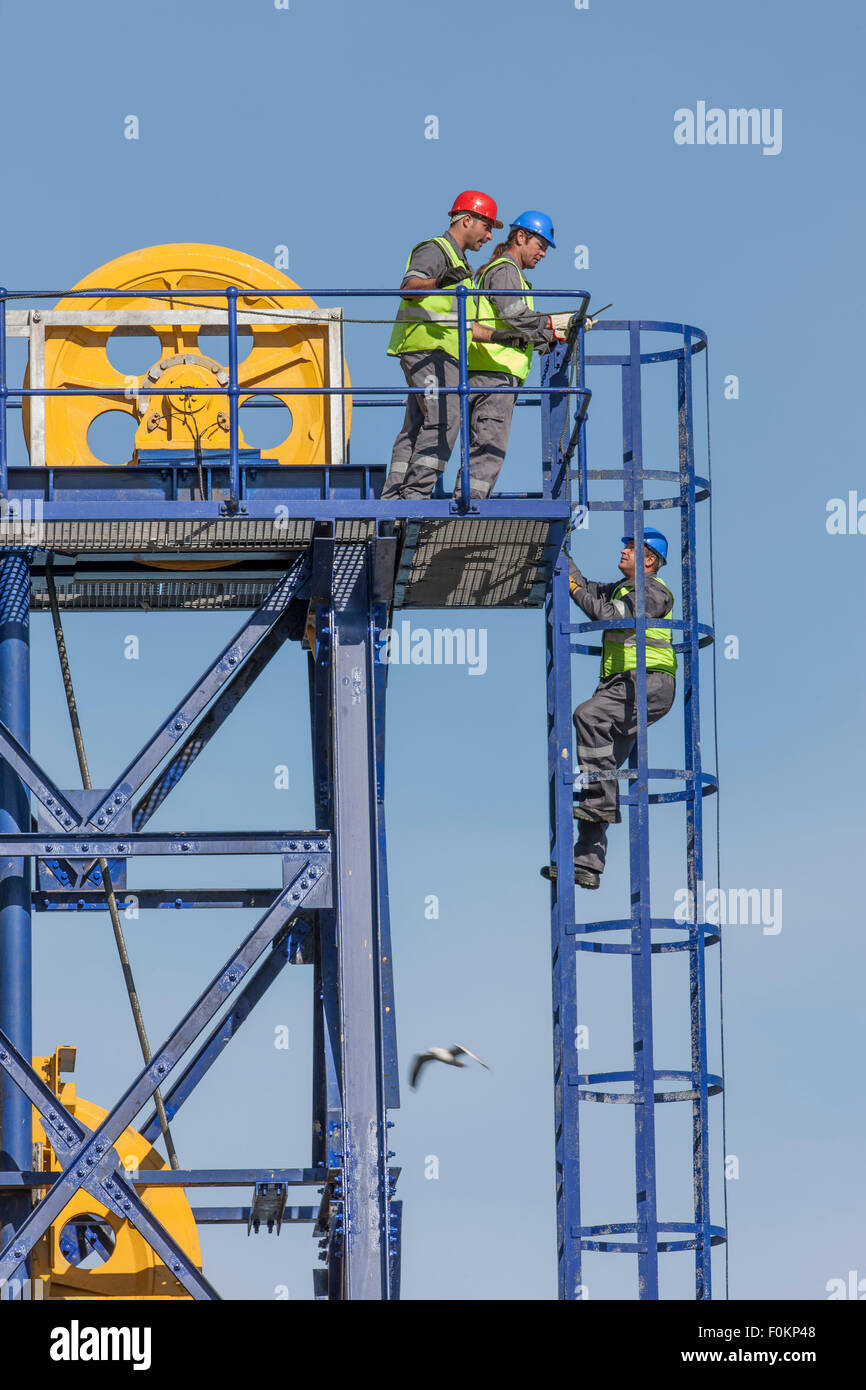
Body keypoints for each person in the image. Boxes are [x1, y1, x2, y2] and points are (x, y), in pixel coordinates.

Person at [542, 529, 677, 889]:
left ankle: (601, 803)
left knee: (587, 716)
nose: (622, 550)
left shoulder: (653, 592)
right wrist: (562, 551)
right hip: (624, 687)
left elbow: (604, 614)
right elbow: (583, 585)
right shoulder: (621, 588)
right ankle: (587, 863)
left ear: (649, 559)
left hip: (647, 683)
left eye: (630, 547)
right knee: (598, 774)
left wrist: (573, 591)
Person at [381, 191, 502, 501]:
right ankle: (415, 496)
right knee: (446, 418)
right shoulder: (437, 251)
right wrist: (441, 281)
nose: (489, 236)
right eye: (486, 227)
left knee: (417, 424)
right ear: (466, 220)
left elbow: (466, 326)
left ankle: (394, 496)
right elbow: (408, 288)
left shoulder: (460, 265)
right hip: (427, 350)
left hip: (440, 353)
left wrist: (510, 336)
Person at [459, 210, 560, 500]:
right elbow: (516, 317)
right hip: (494, 375)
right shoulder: (506, 271)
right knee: (489, 450)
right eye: (540, 246)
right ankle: (469, 513)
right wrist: (555, 325)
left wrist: (548, 335)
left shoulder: (506, 272)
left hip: (488, 372)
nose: (543, 254)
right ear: (520, 237)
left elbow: (516, 329)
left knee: (481, 447)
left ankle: (467, 504)